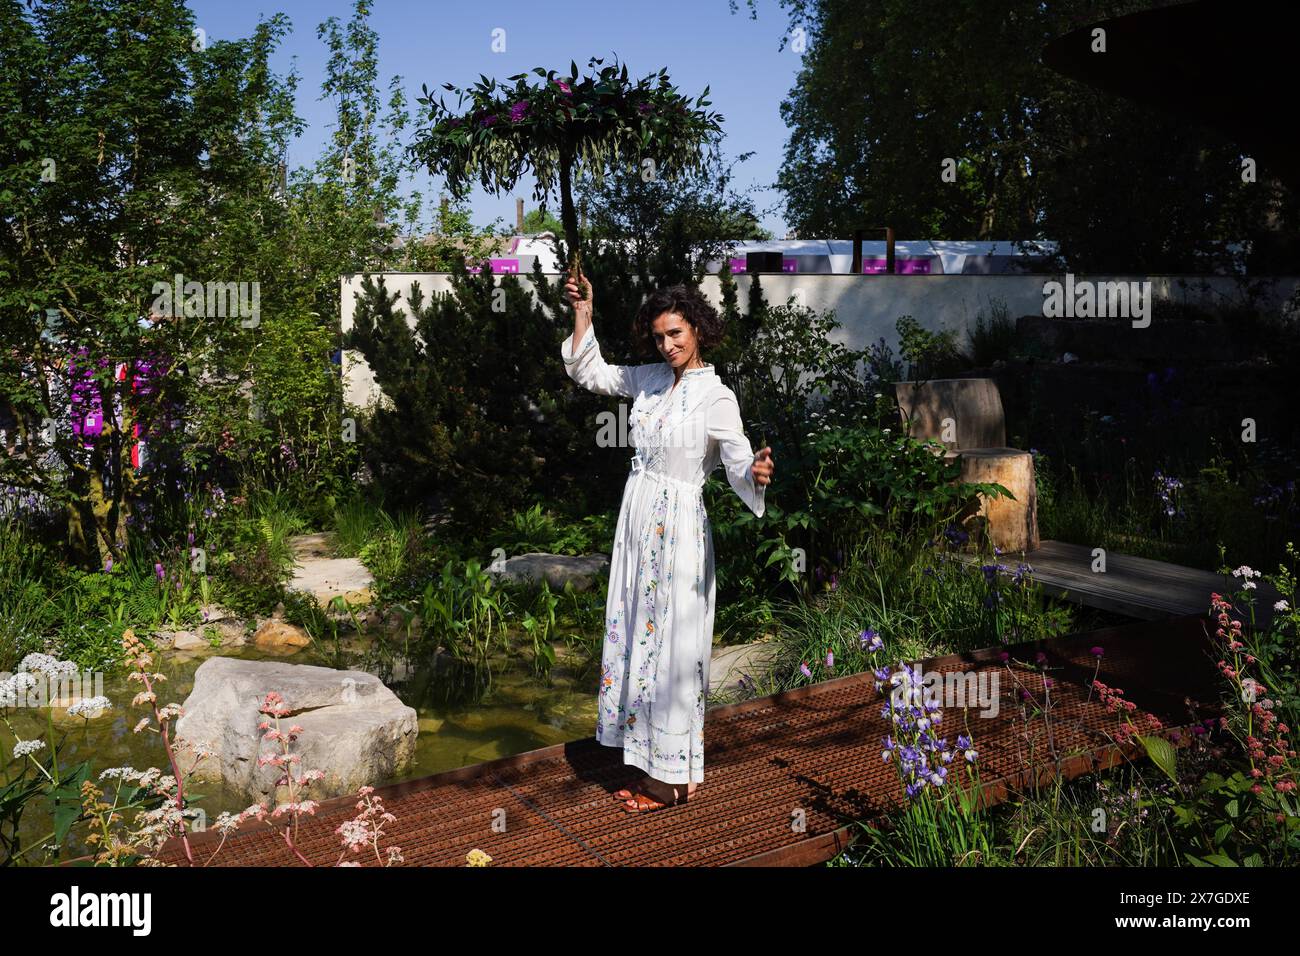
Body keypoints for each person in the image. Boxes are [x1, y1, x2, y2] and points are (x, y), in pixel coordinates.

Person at [560, 269, 774, 813]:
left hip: (678, 528)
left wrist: (756, 472)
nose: (668, 344)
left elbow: (737, 461)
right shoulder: (650, 379)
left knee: (674, 644)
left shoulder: (716, 396)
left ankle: (673, 778)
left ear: (698, 329)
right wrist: (583, 312)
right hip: (638, 520)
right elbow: (595, 374)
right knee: (639, 634)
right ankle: (649, 756)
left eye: (676, 333)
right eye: (659, 336)